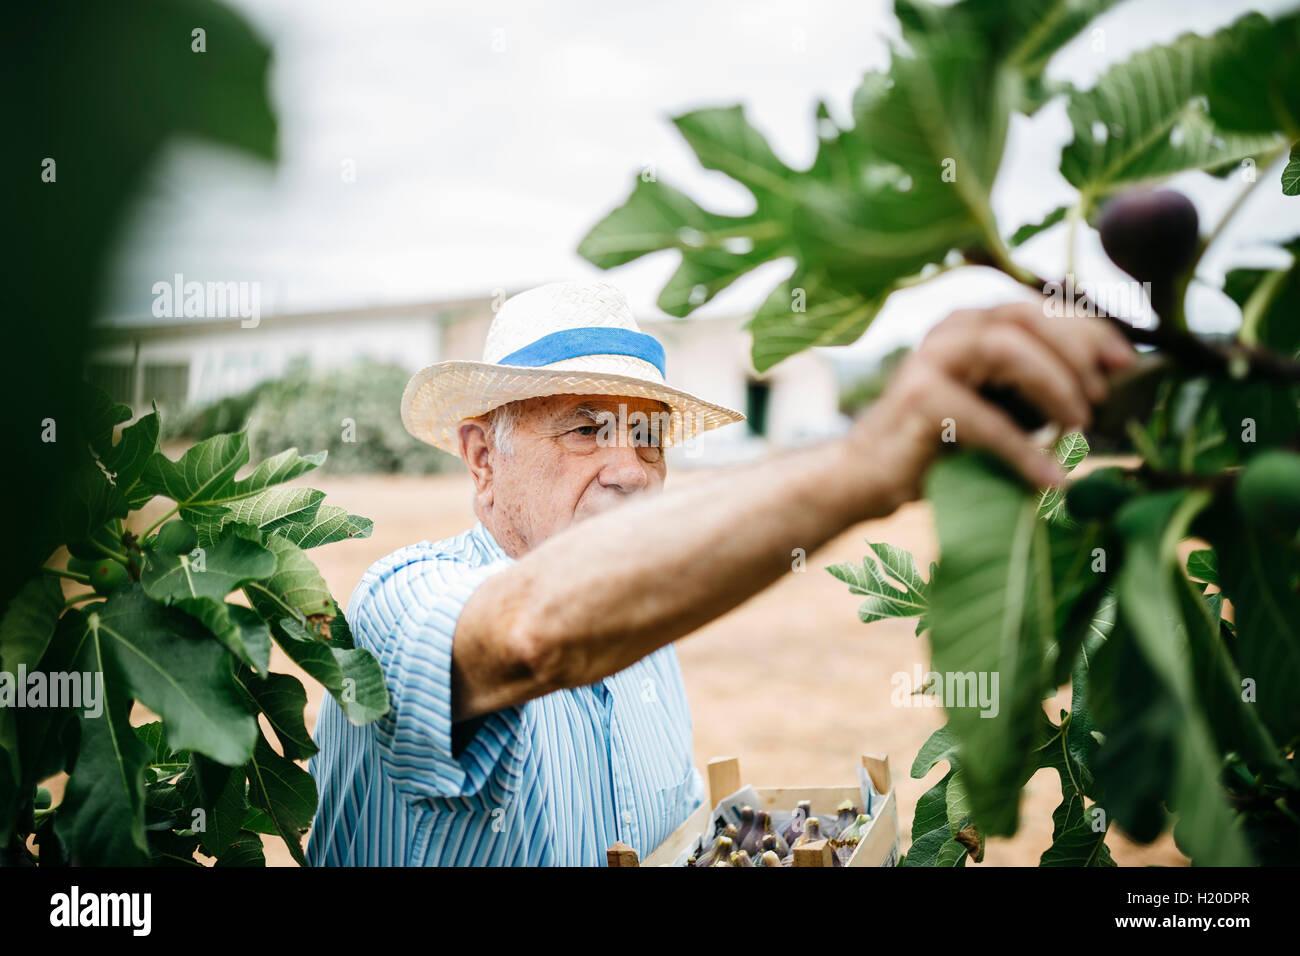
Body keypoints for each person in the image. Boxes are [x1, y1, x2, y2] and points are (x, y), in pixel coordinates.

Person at [305, 279, 1135, 865]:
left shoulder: (644, 647)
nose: (632, 469)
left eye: (649, 436)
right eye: (587, 429)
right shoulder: (395, 605)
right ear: (484, 457)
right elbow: (526, 637)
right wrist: (869, 463)